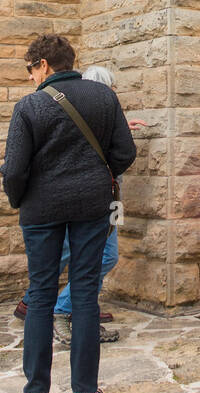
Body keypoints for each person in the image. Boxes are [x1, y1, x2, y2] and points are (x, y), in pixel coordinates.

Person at [2, 36, 136, 393]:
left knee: (41, 296)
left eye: (30, 69)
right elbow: (125, 152)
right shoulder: (103, 98)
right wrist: (98, 176)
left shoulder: (29, 105)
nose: (30, 77)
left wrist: (19, 198)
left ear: (43, 65)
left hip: (41, 209)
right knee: (84, 294)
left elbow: (13, 169)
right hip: (92, 206)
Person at [12, 65, 146, 342]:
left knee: (67, 253)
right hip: (98, 198)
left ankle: (46, 305)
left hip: (59, 201)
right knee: (103, 256)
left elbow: (15, 167)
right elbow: (123, 153)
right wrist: (105, 175)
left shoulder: (43, 106)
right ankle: (65, 310)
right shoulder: (100, 103)